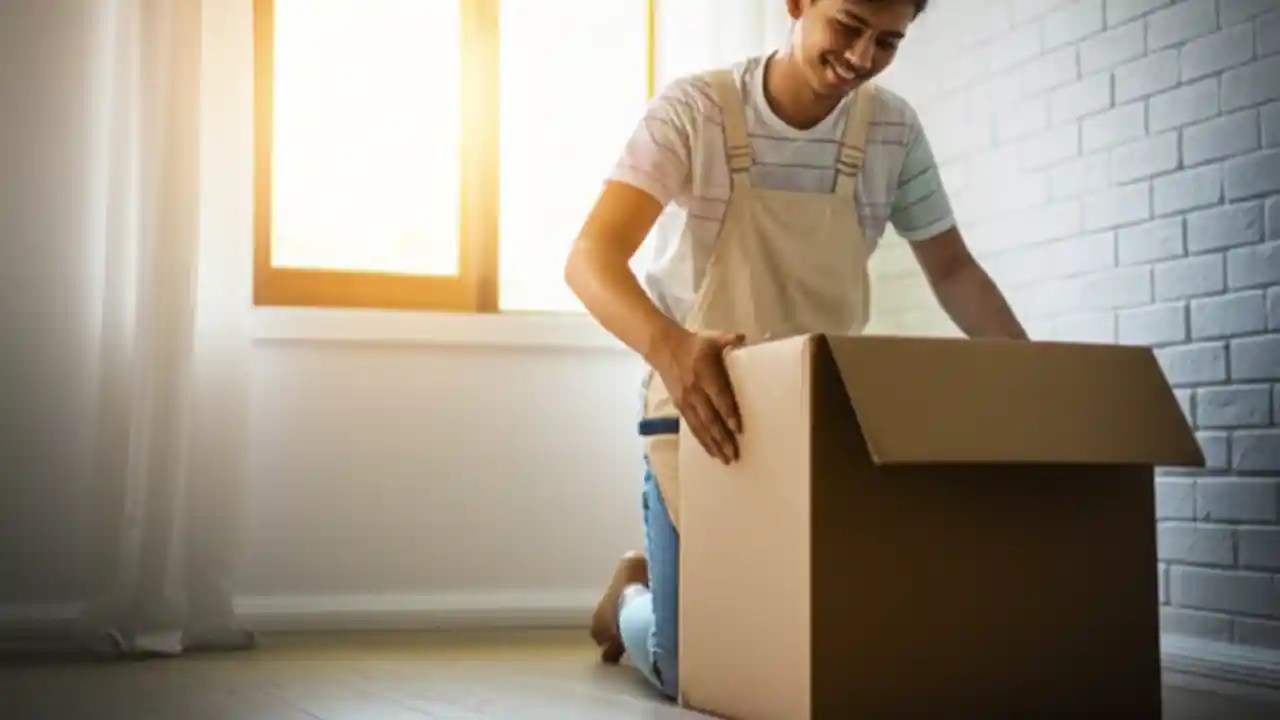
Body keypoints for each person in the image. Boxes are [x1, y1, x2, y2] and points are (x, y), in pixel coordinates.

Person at [564, 0, 1028, 701]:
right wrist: (673, 349)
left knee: (823, 641)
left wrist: (1033, 375)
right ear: (797, 4)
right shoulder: (697, 110)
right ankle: (634, 595)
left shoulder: (892, 131)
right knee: (696, 664)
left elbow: (954, 270)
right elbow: (590, 258)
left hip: (821, 422)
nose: (863, 57)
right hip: (699, 413)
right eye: (848, 25)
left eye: (889, 41)